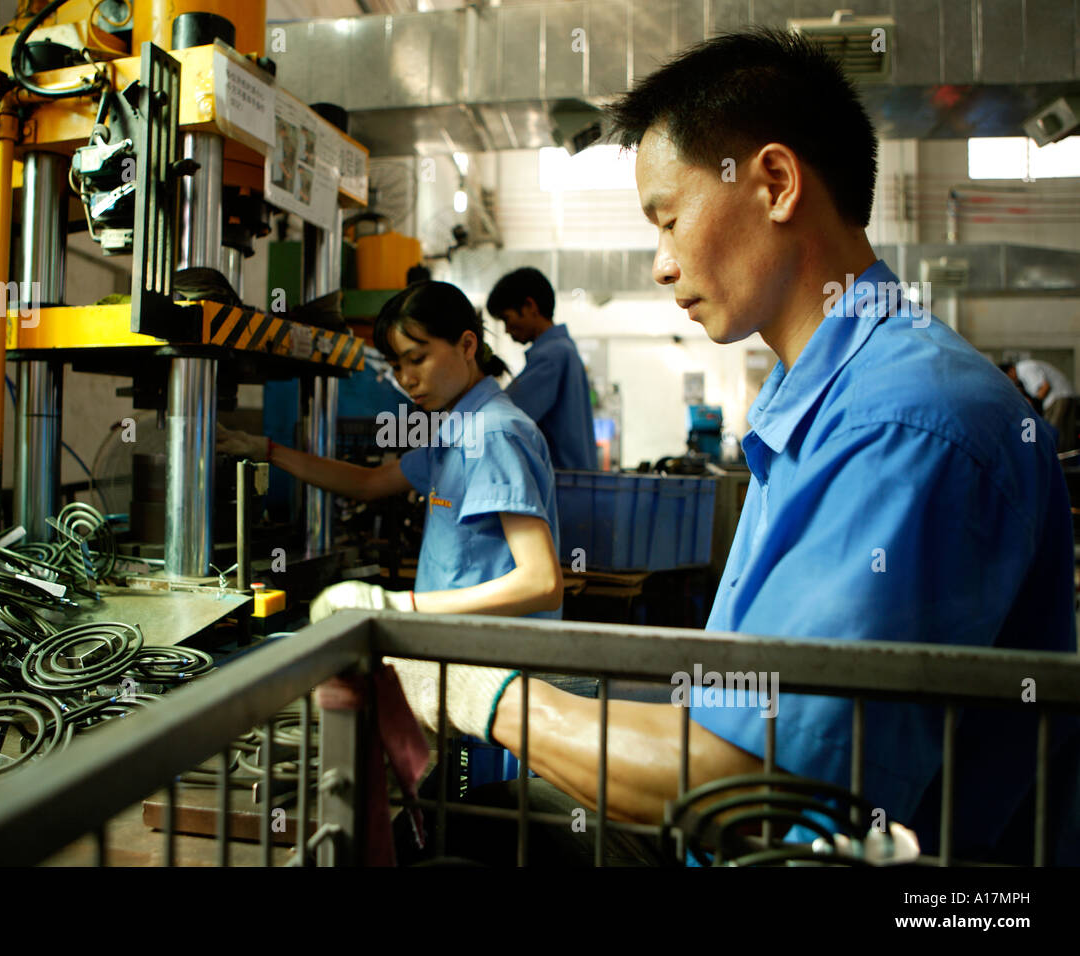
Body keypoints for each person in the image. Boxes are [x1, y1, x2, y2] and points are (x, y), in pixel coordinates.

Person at [387, 28, 1078, 866]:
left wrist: (474, 692)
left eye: (669, 219)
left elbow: (746, 781)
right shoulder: (832, 400)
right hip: (735, 833)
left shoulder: (904, 424)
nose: (661, 265)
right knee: (477, 818)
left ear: (776, 184)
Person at [217, 280, 564, 621]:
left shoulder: (493, 434)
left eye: (418, 358)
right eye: (397, 365)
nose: (407, 379)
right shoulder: (459, 430)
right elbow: (369, 483)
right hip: (461, 652)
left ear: (467, 345)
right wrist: (267, 450)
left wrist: (398, 606)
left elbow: (542, 583)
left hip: (495, 664)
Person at [486, 268, 598, 471]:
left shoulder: (551, 355)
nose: (507, 329)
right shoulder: (564, 349)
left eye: (506, 318)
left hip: (562, 485)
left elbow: (503, 416)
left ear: (530, 306)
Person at [1001, 359, 1077, 452]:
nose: (1011, 381)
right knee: (1066, 434)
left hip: (1058, 397)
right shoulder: (1023, 373)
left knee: (1052, 432)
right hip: (1065, 394)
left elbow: (1044, 387)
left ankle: (1056, 461)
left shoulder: (1024, 368)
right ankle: (1065, 462)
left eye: (1008, 377)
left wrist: (1031, 406)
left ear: (1011, 370)